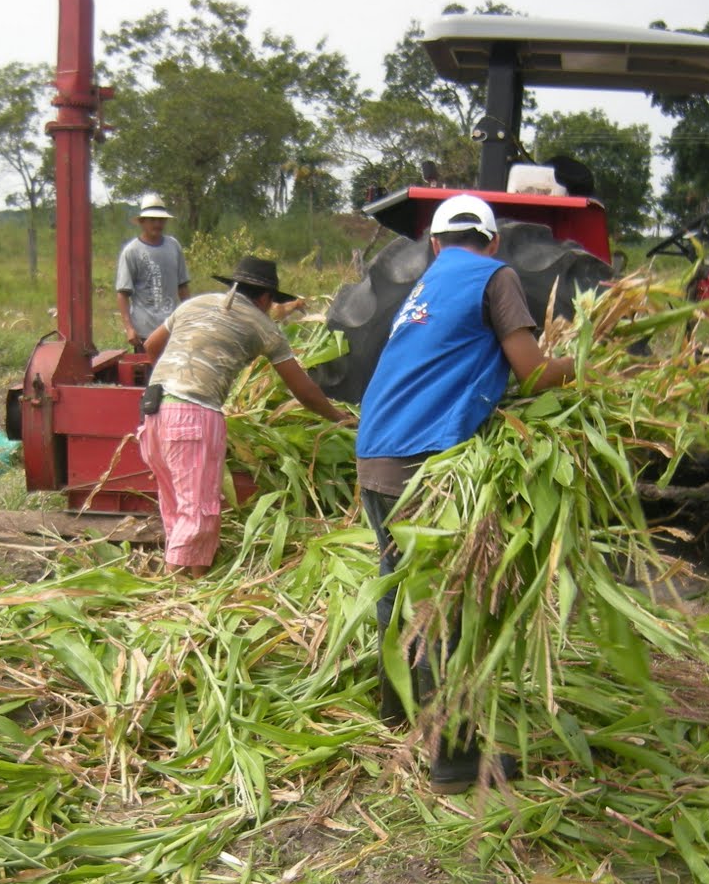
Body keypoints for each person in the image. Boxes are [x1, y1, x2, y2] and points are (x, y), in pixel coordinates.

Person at [354, 194, 575, 794]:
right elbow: (530, 367)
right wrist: (576, 367)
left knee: (396, 585)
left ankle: (396, 703)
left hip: (375, 451)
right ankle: (453, 757)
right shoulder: (493, 274)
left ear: (433, 243)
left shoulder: (425, 287)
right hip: (420, 463)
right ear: (493, 240)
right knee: (442, 602)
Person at [139, 255, 355, 575]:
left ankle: (195, 581)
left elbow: (151, 345)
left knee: (176, 509)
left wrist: (176, 372)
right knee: (197, 512)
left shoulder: (195, 304)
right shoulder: (261, 325)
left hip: (154, 411)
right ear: (266, 298)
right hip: (194, 415)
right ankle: (173, 596)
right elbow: (304, 391)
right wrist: (340, 417)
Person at [116, 193, 190, 349]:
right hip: (144, 331)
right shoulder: (132, 251)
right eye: (152, 220)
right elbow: (123, 293)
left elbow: (182, 286)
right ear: (142, 222)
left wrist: (190, 318)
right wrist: (129, 329)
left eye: (161, 220)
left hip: (172, 328)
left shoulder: (173, 246)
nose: (157, 224)